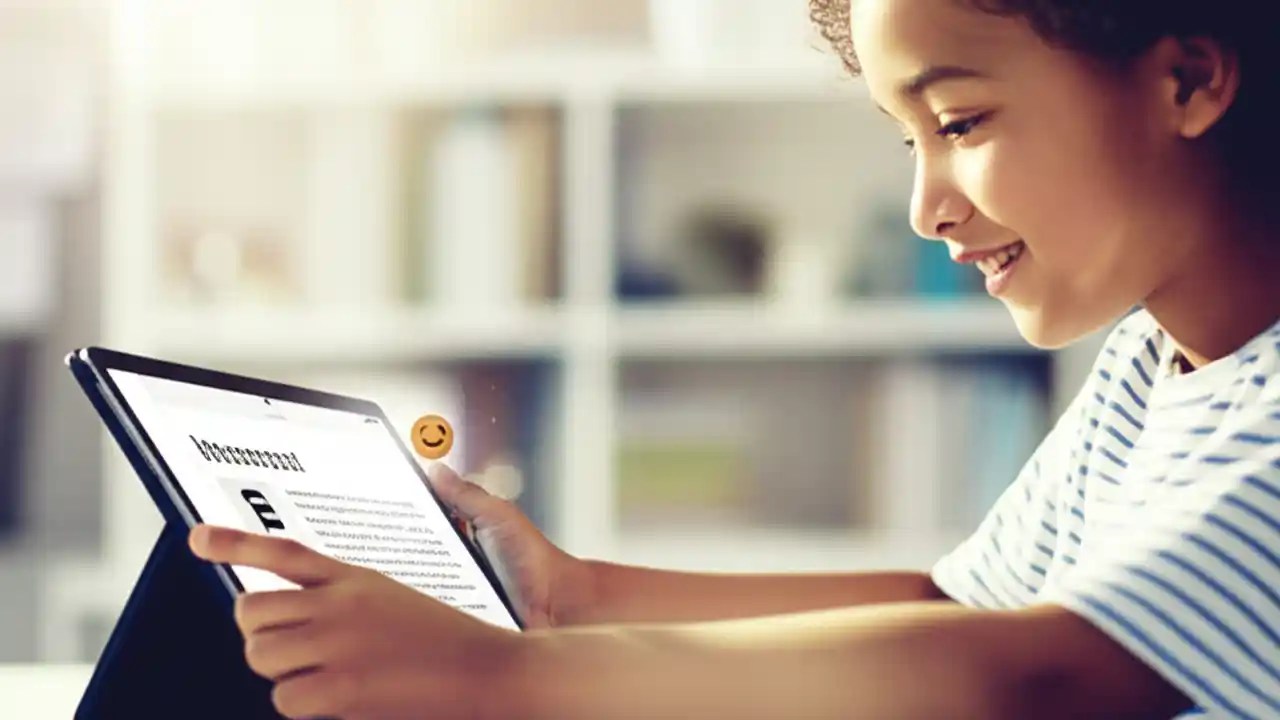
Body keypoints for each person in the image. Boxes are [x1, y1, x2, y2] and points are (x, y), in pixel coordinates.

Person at [188, 1, 1280, 717]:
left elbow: (1038, 673)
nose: (924, 210)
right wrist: (571, 598)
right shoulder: (1157, 362)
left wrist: (506, 677)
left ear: (1184, 80)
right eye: (910, 143)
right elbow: (958, 610)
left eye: (960, 121)